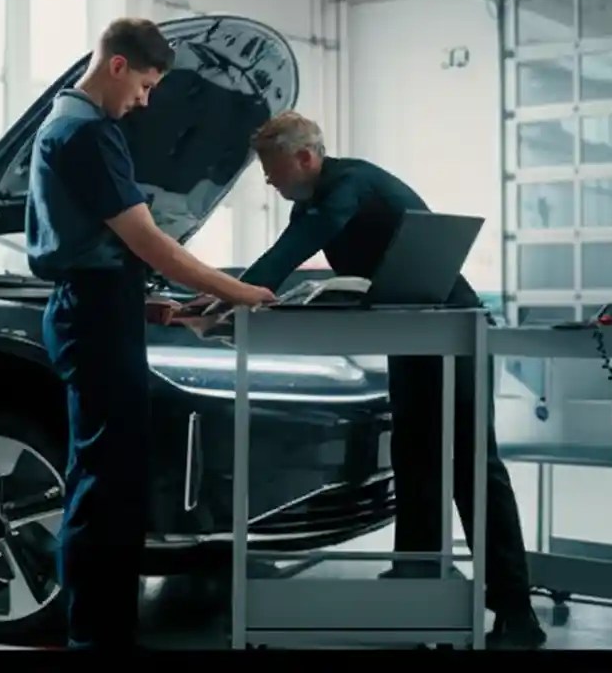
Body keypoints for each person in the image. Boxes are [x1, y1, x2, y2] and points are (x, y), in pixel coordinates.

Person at [198, 110, 548, 649]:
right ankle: (417, 580)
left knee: (472, 466)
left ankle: (517, 611)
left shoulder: (350, 184)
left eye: (272, 168)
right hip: (411, 330)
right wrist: (226, 293)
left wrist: (230, 293)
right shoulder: (313, 200)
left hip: (454, 327)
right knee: (414, 456)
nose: (267, 180)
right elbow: (286, 254)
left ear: (305, 157)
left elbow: (294, 249)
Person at [27, 17, 277, 650]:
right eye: (144, 85)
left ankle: (103, 631)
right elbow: (147, 239)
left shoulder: (65, 124)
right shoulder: (86, 132)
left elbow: (95, 245)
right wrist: (238, 290)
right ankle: (98, 638)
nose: (144, 101)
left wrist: (148, 305)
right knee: (104, 486)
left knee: (104, 477)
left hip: (97, 308)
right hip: (94, 316)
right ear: (117, 66)